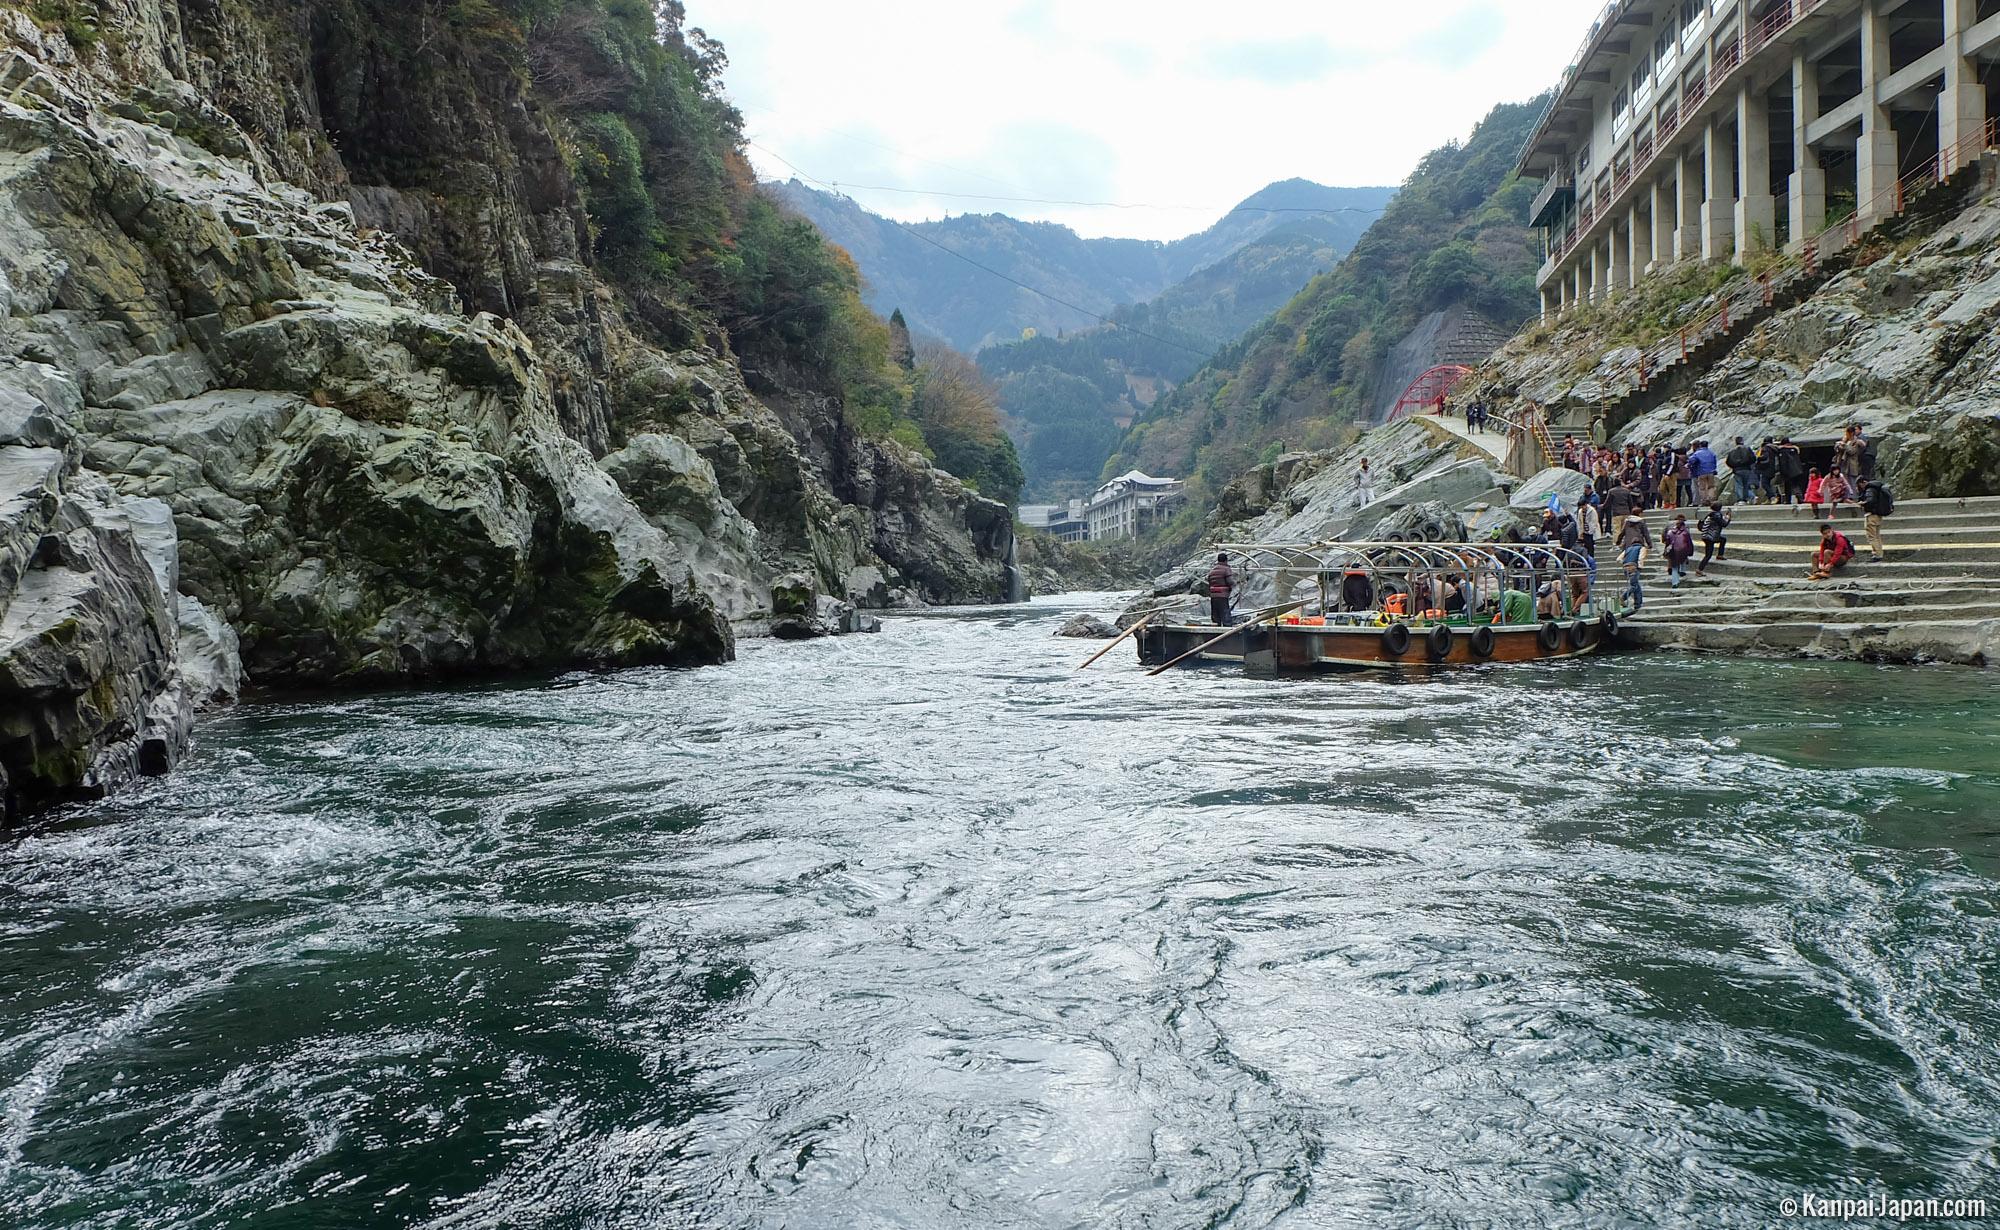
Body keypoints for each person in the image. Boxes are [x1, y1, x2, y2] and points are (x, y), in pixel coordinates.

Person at [1618, 508, 1653, 612]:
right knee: (1634, 585)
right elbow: (1646, 534)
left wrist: (1618, 541)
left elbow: (1622, 532)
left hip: (1628, 547)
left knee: (1636, 585)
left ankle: (1638, 603)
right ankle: (1624, 597)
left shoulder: (1627, 522)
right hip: (1635, 563)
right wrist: (1649, 544)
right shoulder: (1641, 522)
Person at [1857, 476, 1894, 562]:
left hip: (1871, 515)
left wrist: (1863, 503)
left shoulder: (1870, 489)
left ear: (1863, 482)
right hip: (1878, 515)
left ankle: (1876, 554)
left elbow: (1870, 501)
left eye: (1860, 485)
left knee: (1872, 536)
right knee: (1877, 535)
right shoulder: (1877, 487)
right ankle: (1879, 553)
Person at [1604, 476, 1641, 547]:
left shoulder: (1611, 491)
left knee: (1616, 529)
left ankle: (1616, 544)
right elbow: (1630, 503)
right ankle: (1626, 543)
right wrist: (1630, 511)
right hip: (1626, 512)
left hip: (1616, 513)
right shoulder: (1626, 491)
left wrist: (1601, 507)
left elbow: (1607, 503)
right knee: (1625, 529)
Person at [1696, 502, 1731, 575]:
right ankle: (1699, 569)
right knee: (1708, 555)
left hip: (1706, 535)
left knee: (1723, 539)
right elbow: (1724, 524)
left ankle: (1720, 555)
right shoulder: (1717, 515)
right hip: (1710, 537)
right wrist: (1728, 518)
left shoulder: (1710, 515)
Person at [1663, 513, 1696, 589]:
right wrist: (1690, 551)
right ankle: (1682, 571)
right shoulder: (1686, 532)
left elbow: (1667, 542)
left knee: (1674, 567)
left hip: (1673, 550)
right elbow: (1689, 542)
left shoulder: (1670, 532)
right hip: (1683, 549)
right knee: (1683, 559)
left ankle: (1675, 582)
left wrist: (1665, 551)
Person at [1725, 436, 1757, 504]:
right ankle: (1748, 498)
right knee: (1746, 484)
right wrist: (1749, 464)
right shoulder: (1747, 449)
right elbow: (1753, 458)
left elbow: (1728, 461)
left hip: (1737, 470)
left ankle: (1741, 500)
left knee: (1739, 485)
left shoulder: (1732, 451)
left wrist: (1734, 467)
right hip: (1746, 469)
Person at [1205, 553, 1235, 625]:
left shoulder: (1212, 570)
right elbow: (1230, 581)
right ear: (1226, 560)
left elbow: (1208, 580)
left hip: (1213, 595)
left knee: (1215, 614)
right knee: (1225, 613)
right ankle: (1227, 628)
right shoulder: (1226, 569)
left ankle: (1216, 627)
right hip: (1223, 595)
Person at [1777, 437, 1807, 505]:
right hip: (1798, 470)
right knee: (1796, 485)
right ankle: (1800, 498)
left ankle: (1789, 500)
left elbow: (1783, 463)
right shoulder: (1795, 449)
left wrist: (1783, 472)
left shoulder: (1783, 451)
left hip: (1788, 471)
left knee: (1788, 486)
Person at [1689, 438, 1719, 505]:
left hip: (1701, 472)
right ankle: (1711, 499)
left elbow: (1691, 461)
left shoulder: (1697, 453)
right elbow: (1715, 462)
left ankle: (1704, 501)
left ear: (1700, 445)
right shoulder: (1711, 453)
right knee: (1711, 487)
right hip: (1711, 472)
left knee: (1702, 488)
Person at [1754, 437, 1781, 504]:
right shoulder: (1773, 449)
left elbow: (1764, 457)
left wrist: (1758, 458)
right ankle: (1769, 499)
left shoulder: (1766, 448)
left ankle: (1772, 497)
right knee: (1768, 484)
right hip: (1772, 469)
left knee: (1764, 484)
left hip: (1765, 469)